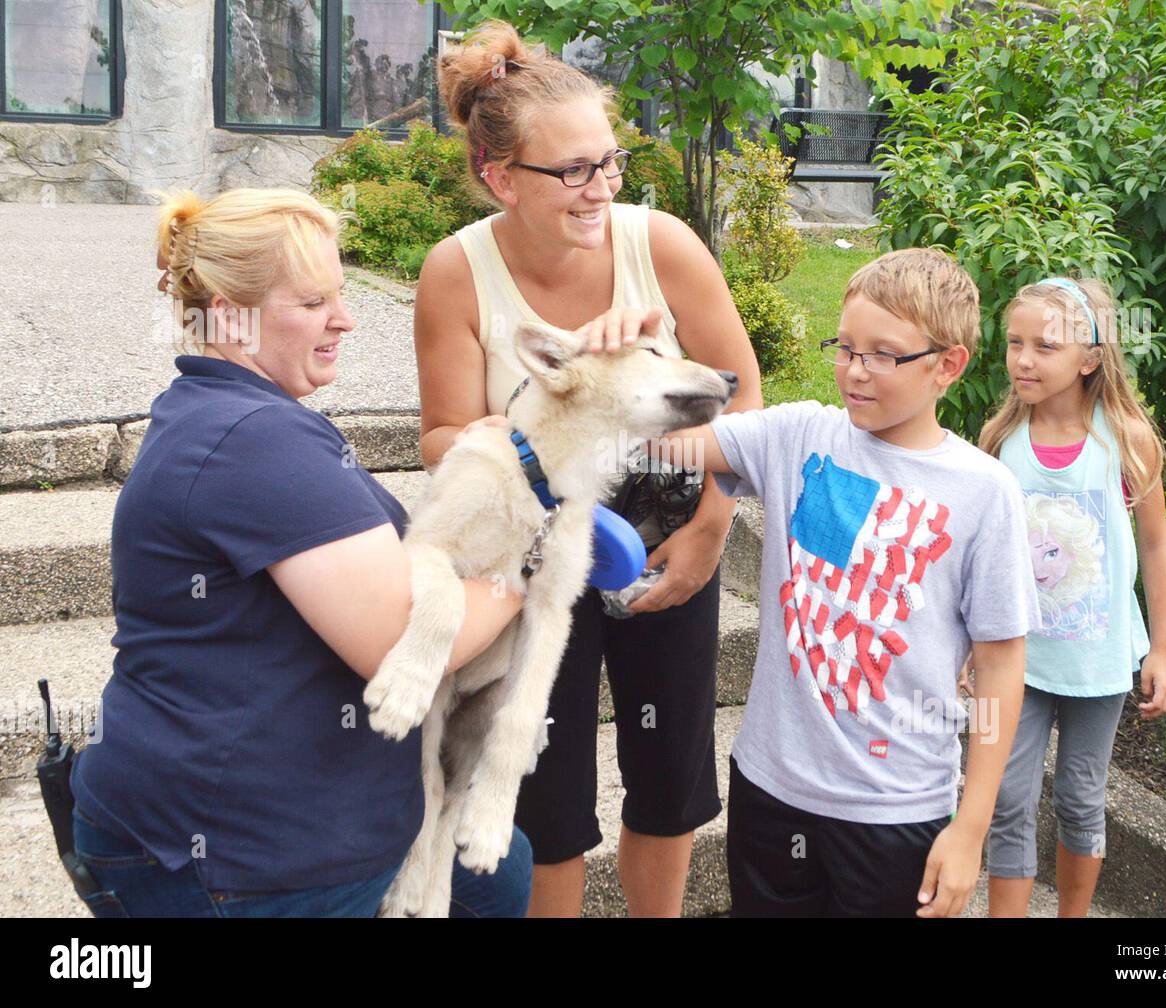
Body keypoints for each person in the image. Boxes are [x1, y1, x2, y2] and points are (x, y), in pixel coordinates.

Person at [69, 187, 532, 918]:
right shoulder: (253, 439)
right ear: (228, 312)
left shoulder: (228, 413)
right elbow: (399, 639)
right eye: (315, 302)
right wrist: (525, 569)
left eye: (340, 295)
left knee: (497, 877)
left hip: (305, 822)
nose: (345, 319)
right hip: (243, 857)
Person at [415, 20, 762, 917]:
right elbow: (441, 437)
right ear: (500, 177)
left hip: (668, 551)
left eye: (608, 163)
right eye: (572, 171)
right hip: (535, 567)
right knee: (547, 793)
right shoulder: (457, 274)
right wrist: (543, 425)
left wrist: (710, 534)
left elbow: (745, 398)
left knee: (670, 778)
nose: (599, 187)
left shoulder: (664, 247)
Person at [658, 247, 1041, 916]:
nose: (855, 372)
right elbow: (670, 441)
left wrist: (971, 827)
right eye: (846, 348)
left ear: (948, 365)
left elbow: (1002, 663)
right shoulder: (798, 437)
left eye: (883, 355)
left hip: (897, 816)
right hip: (770, 794)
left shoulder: (985, 492)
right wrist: (637, 364)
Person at [977, 276, 1166, 917]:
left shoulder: (1125, 440)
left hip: (1099, 662)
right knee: (1006, 794)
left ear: (1090, 358)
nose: (1024, 359)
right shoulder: (1000, 441)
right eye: (1014, 343)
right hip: (1017, 659)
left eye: (1045, 346)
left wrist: (1162, 651)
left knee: (1080, 797)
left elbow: (1155, 547)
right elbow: (982, 554)